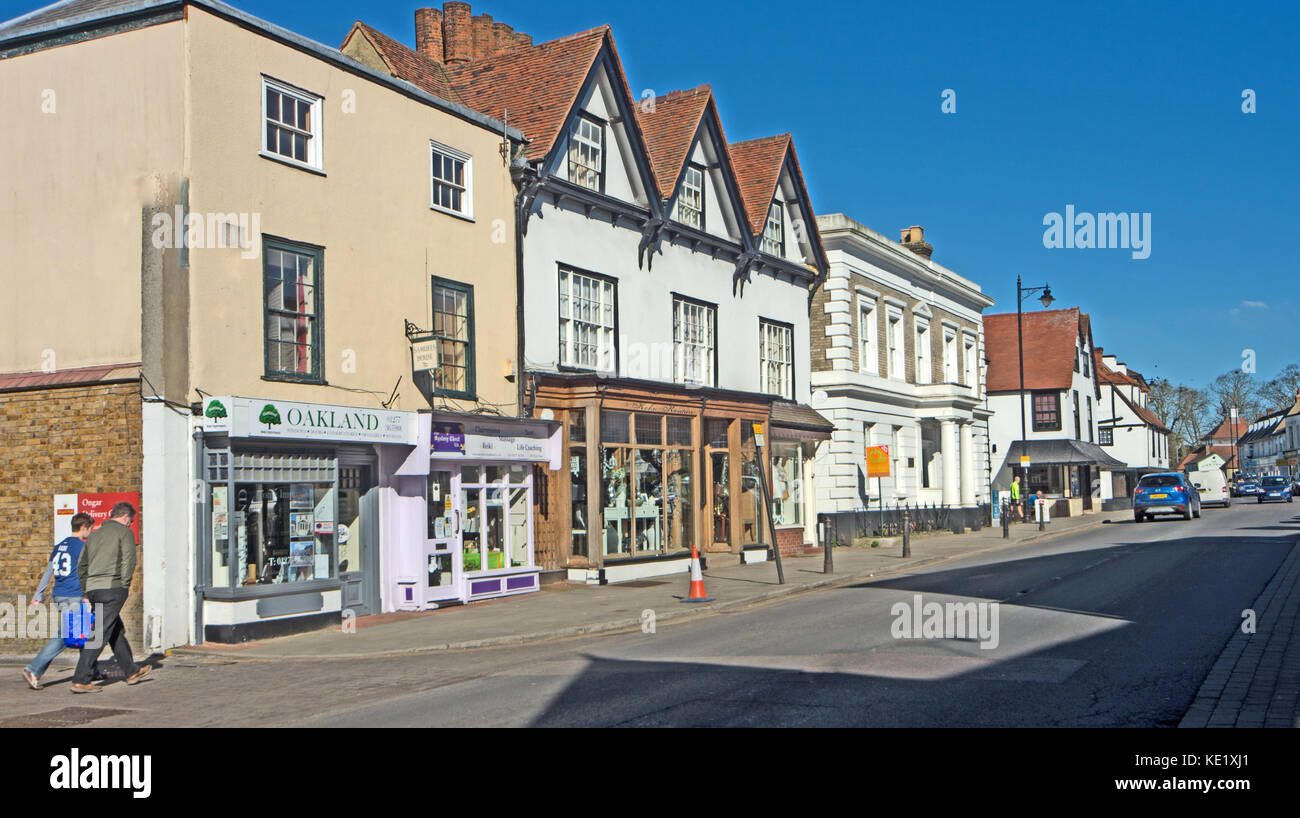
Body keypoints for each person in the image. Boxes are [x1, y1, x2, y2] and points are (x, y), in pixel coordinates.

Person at [70, 502, 150, 693]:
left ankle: (131, 671)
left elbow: (82, 565)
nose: (129, 524)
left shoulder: (95, 534)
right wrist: (124, 583)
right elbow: (129, 559)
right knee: (101, 633)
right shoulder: (124, 532)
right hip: (113, 589)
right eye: (130, 521)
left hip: (94, 590)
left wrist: (86, 588)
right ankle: (81, 679)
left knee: (114, 630)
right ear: (125, 518)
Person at [22, 513, 97, 690]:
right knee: (65, 636)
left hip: (60, 594)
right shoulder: (82, 547)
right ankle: (33, 669)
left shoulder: (59, 546)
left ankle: (91, 670)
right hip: (74, 595)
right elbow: (86, 574)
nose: (91, 532)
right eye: (90, 528)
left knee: (83, 632)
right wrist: (87, 596)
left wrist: (38, 594)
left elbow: (48, 572)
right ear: (84, 527)